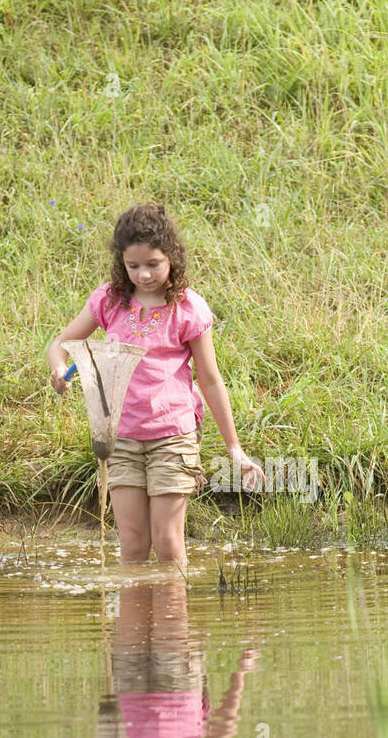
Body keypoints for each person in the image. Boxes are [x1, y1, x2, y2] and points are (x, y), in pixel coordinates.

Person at [47, 202, 264, 571]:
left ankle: (171, 628)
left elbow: (210, 380)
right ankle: (131, 630)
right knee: (132, 543)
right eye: (133, 266)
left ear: (172, 258)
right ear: (121, 262)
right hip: (121, 436)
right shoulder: (109, 301)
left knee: (167, 542)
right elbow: (60, 343)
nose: (144, 275)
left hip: (173, 435)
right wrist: (59, 369)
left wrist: (234, 448)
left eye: (153, 264)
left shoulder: (188, 308)